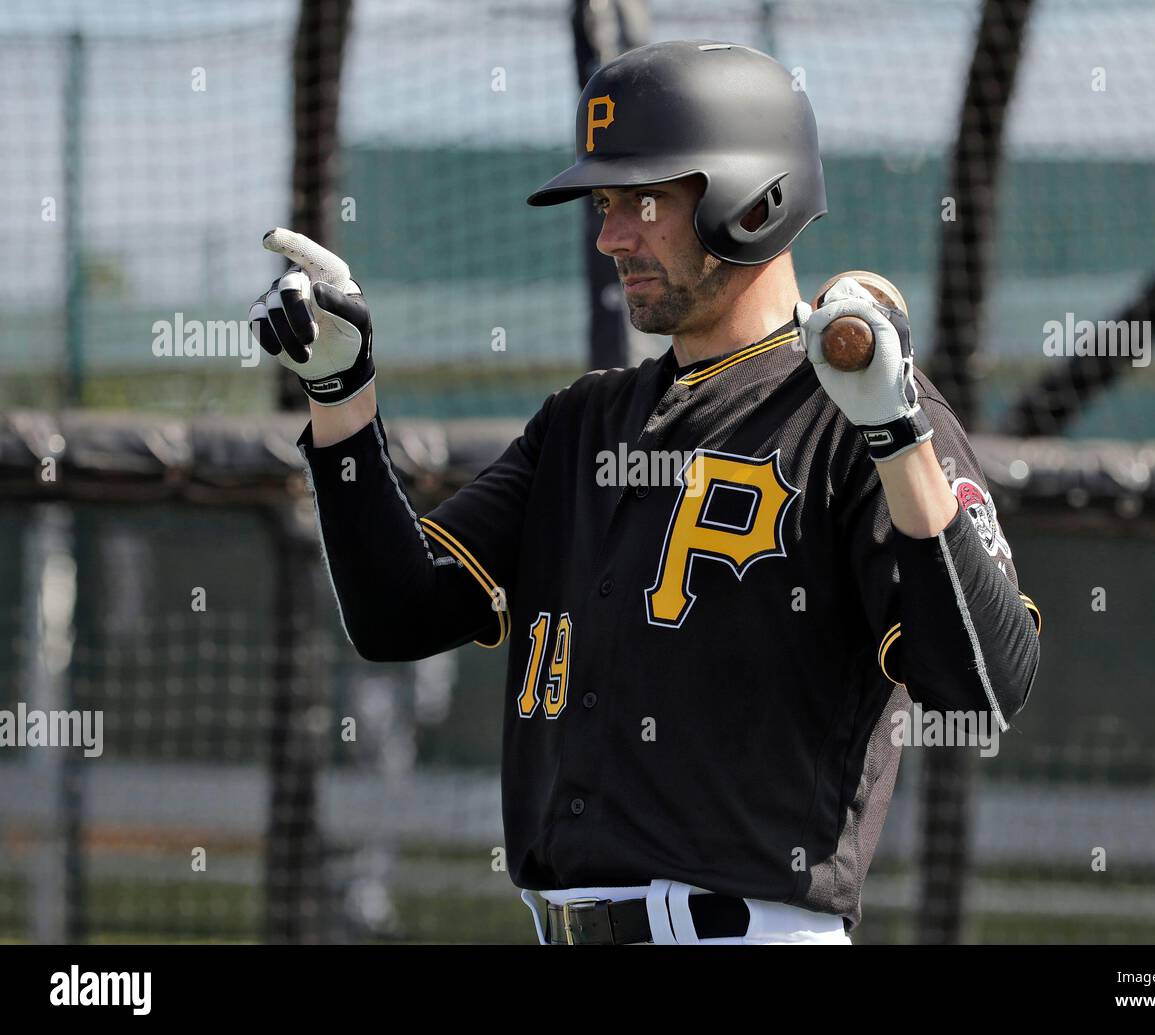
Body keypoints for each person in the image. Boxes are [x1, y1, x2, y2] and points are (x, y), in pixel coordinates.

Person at [248, 39, 1041, 945]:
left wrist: (896, 435)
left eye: (644, 200)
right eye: (606, 203)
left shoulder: (859, 414)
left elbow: (982, 685)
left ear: (756, 197)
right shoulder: (584, 422)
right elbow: (399, 612)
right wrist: (342, 399)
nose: (610, 234)